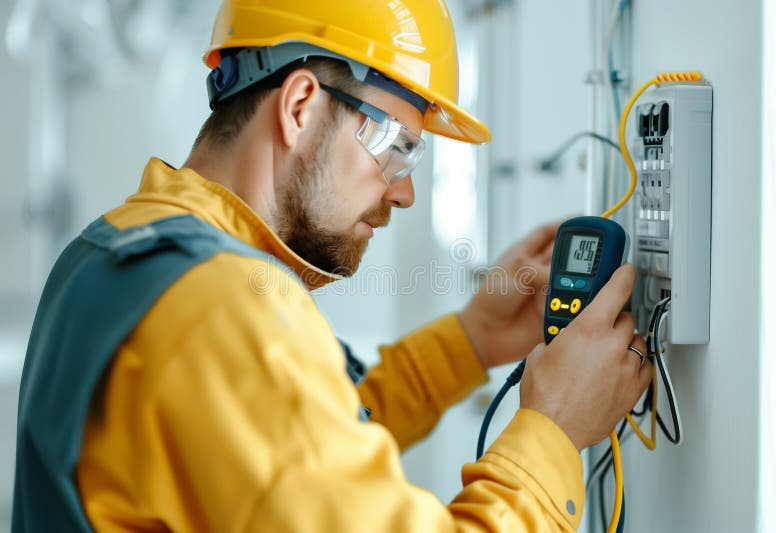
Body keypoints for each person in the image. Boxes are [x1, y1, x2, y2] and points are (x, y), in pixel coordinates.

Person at [12, 1, 651, 531]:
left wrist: (473, 339)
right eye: (396, 147)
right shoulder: (220, 310)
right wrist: (555, 429)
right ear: (298, 106)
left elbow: (298, 449)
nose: (404, 192)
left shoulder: (120, 250)